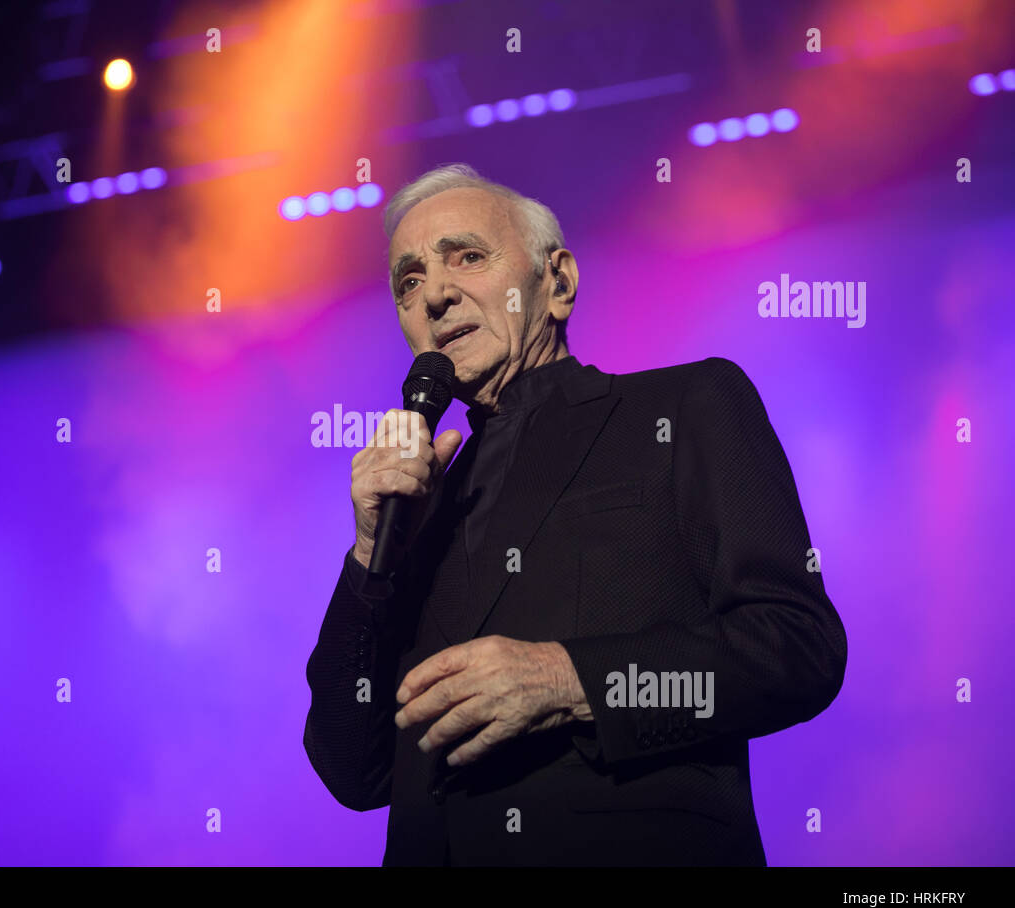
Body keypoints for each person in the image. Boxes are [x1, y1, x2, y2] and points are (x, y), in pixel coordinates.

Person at [302, 163, 847, 866]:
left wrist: (569, 682)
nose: (434, 293)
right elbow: (354, 769)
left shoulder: (684, 408)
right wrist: (371, 550)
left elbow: (797, 648)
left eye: (467, 256)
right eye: (407, 281)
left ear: (556, 282)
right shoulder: (420, 511)